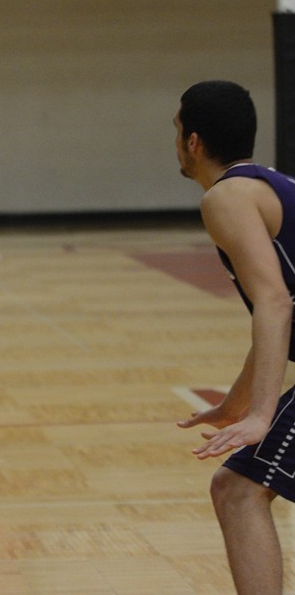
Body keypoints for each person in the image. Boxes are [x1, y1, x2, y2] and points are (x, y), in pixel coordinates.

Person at [174, 80, 295, 595]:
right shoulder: (267, 184)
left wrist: (260, 415)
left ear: (193, 141)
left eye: (176, 131)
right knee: (236, 487)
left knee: (239, 490)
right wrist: (236, 403)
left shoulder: (225, 198)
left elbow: (274, 303)